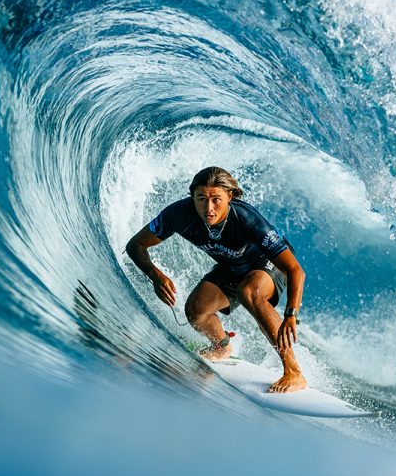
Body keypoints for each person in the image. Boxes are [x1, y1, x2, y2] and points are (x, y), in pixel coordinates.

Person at [125, 166, 307, 393]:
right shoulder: (178, 215)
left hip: (267, 263)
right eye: (201, 199)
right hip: (233, 265)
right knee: (196, 310)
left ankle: (293, 372)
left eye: (216, 200)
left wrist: (291, 315)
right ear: (192, 196)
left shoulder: (248, 220)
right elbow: (136, 245)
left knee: (250, 291)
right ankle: (221, 346)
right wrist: (155, 275)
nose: (208, 208)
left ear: (230, 197)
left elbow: (295, 270)